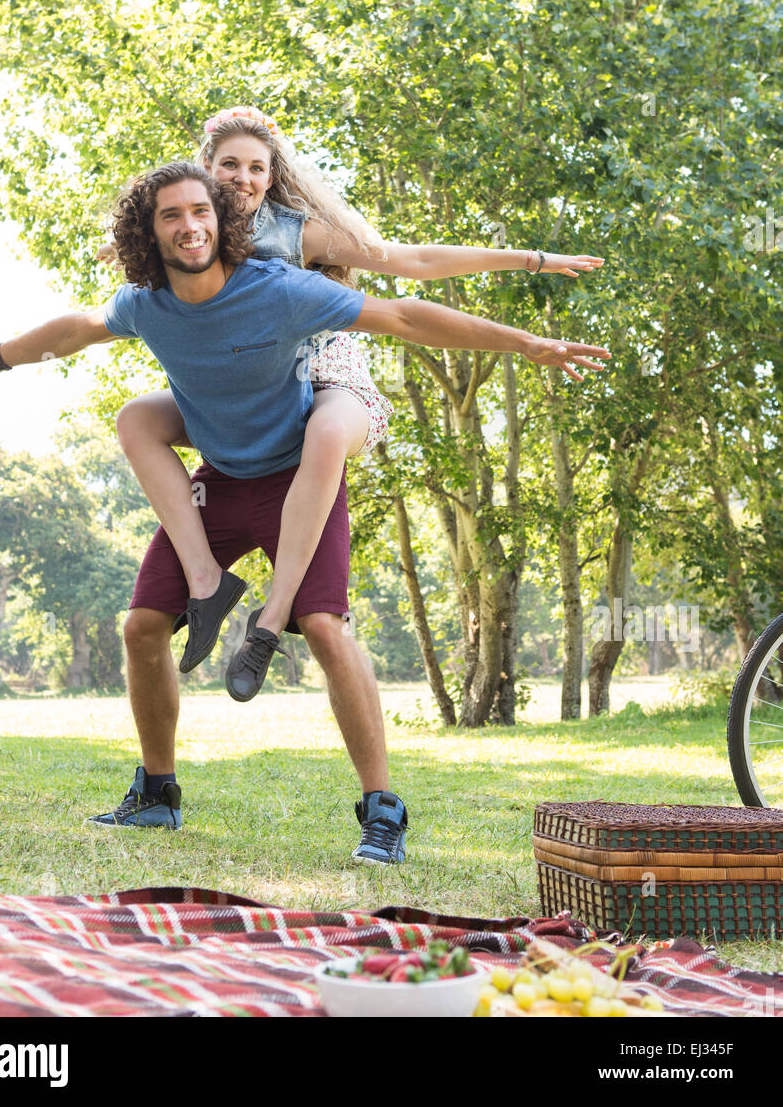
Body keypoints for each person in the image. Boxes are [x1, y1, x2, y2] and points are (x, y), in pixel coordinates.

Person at [0, 159, 609, 862]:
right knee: (139, 627)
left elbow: (403, 314)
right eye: (171, 215)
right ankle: (157, 791)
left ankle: (382, 810)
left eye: (201, 211)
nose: (190, 226)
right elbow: (73, 330)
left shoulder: (280, 289)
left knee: (323, 627)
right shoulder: (146, 303)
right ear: (146, 232)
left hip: (295, 481)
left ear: (223, 221)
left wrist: (527, 344)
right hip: (219, 482)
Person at [98, 104, 605, 693]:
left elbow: (412, 263)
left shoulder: (295, 232)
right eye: (229, 165)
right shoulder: (187, 231)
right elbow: (119, 292)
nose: (243, 177)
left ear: (271, 175)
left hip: (320, 375)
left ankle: (270, 619)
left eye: (257, 167)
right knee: (137, 417)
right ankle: (206, 585)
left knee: (327, 430)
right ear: (205, 169)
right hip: (242, 394)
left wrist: (530, 260)